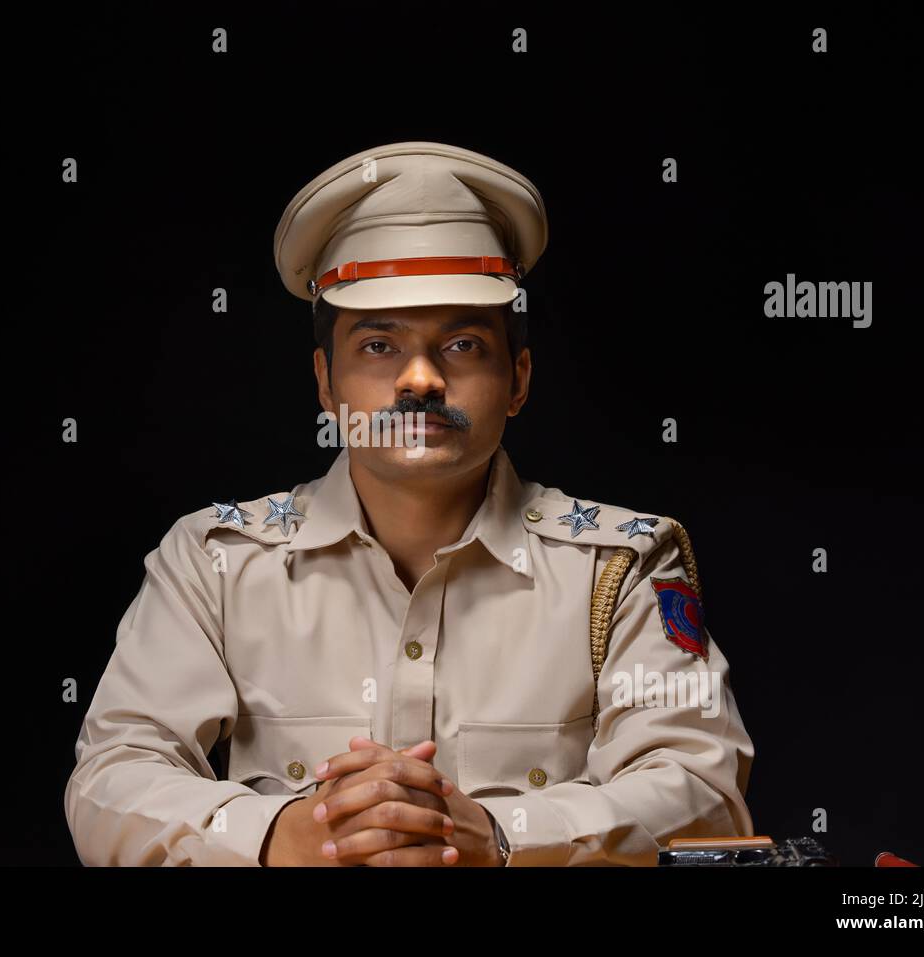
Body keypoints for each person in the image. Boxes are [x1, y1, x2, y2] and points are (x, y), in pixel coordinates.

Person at [64, 142, 754, 866]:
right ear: (326, 383)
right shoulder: (215, 561)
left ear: (518, 379)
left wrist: (499, 837)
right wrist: (280, 835)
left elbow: (703, 792)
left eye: (460, 342)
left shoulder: (621, 566)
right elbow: (112, 776)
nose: (420, 378)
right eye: (379, 344)